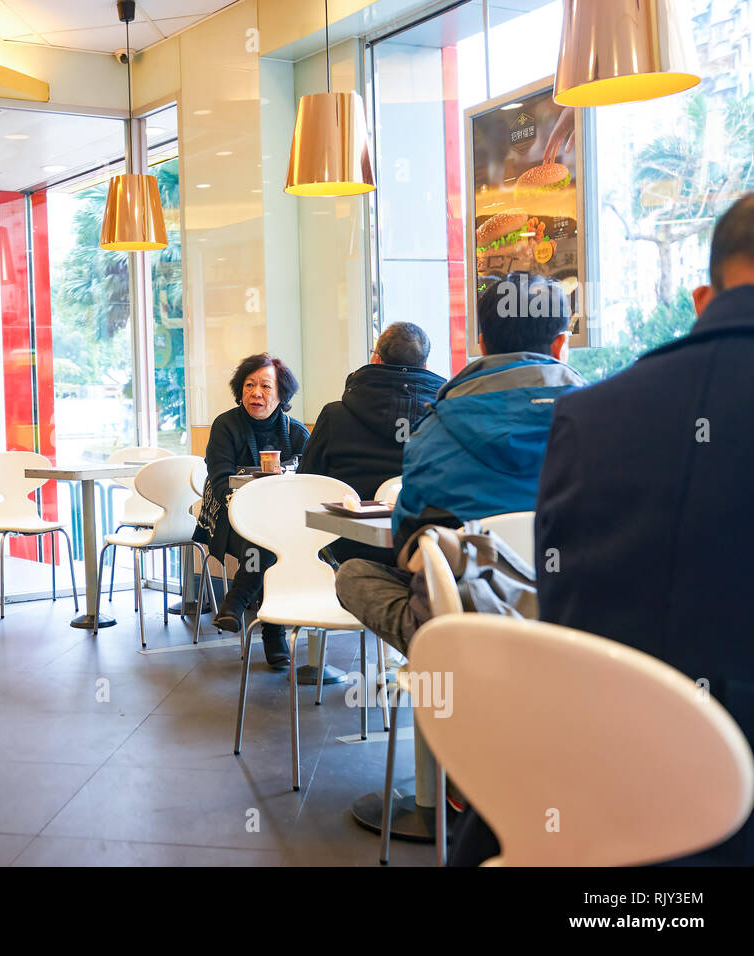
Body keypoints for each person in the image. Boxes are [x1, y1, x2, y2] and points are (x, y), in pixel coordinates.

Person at [440, 195, 754, 867]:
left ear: (703, 296)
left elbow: (566, 611)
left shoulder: (594, 416)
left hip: (591, 794)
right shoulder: (570, 399)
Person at [335, 272, 584, 656]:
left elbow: (410, 545)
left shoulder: (432, 428)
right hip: (581, 626)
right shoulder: (607, 423)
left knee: (353, 573)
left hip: (470, 633)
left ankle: (449, 672)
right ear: (560, 345)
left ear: (482, 344)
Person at [193, 354, 309, 668]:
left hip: (282, 525)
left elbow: (312, 485)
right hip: (229, 518)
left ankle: (237, 603)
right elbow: (219, 479)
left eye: (264, 386)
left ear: (282, 394)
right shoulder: (225, 425)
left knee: (270, 541)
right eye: (249, 385)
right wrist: (248, 513)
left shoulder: (297, 433)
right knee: (267, 543)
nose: (255, 393)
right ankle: (273, 634)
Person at [299, 321, 444, 561]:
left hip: (348, 549)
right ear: (425, 366)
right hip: (427, 549)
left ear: (376, 360)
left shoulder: (335, 415)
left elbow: (307, 482)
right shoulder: (446, 418)